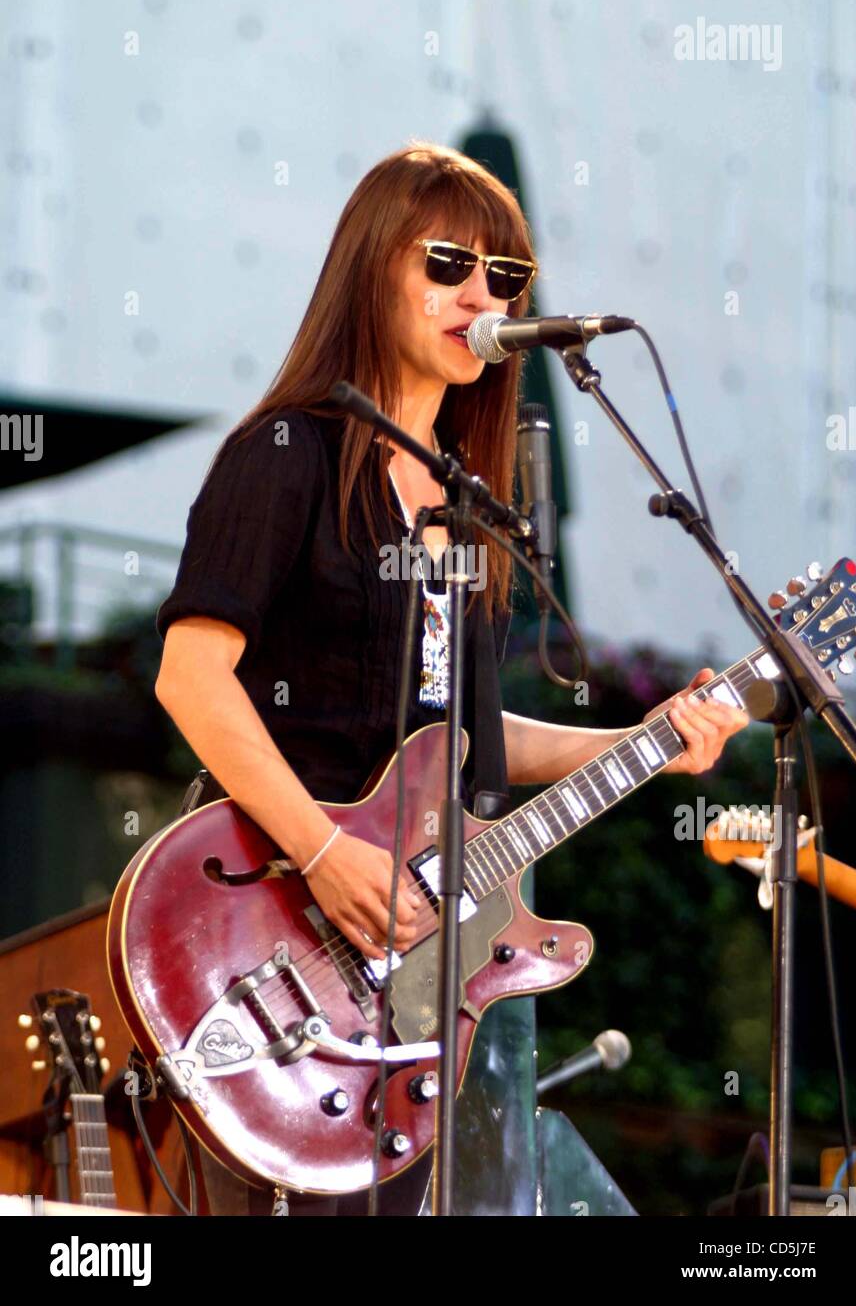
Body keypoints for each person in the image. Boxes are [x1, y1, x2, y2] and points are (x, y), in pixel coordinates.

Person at [153, 140, 749, 1215]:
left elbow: (474, 737)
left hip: (418, 978)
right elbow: (191, 677)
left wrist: (651, 740)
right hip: (275, 925)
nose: (480, 296)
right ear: (370, 266)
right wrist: (325, 850)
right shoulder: (287, 453)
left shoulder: (465, 499)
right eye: (447, 266)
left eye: (506, 278)